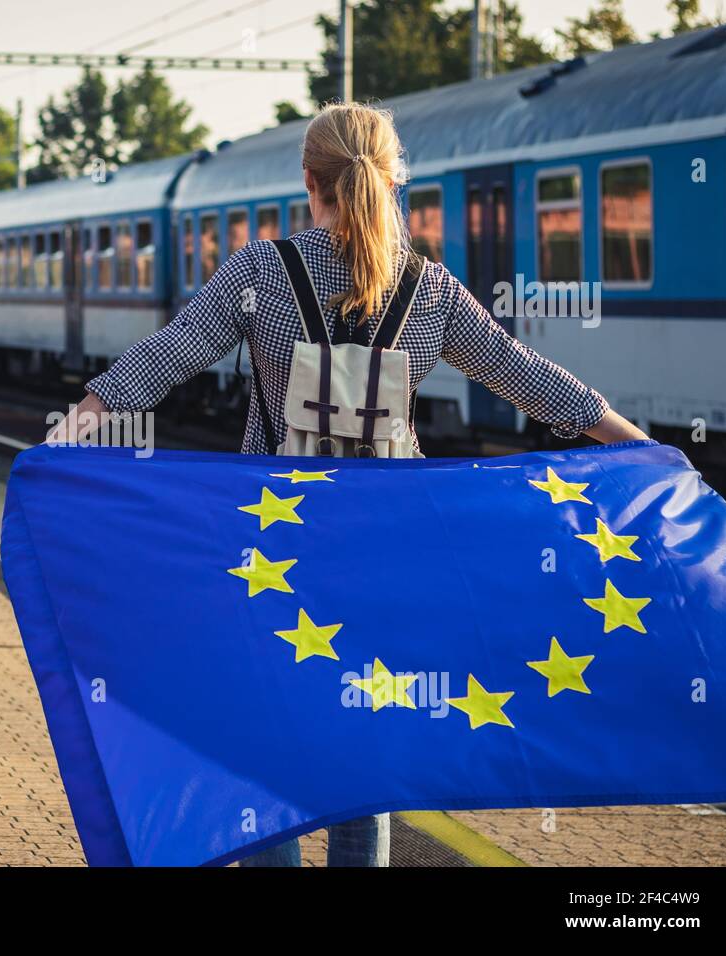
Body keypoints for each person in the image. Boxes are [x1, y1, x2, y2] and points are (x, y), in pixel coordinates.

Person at [46, 101, 648, 867]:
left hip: (272, 552)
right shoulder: (429, 291)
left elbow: (173, 353)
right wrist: (645, 449)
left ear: (309, 180)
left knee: (270, 750)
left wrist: (71, 429)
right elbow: (527, 379)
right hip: (385, 558)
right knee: (367, 762)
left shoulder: (261, 271)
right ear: (395, 181)